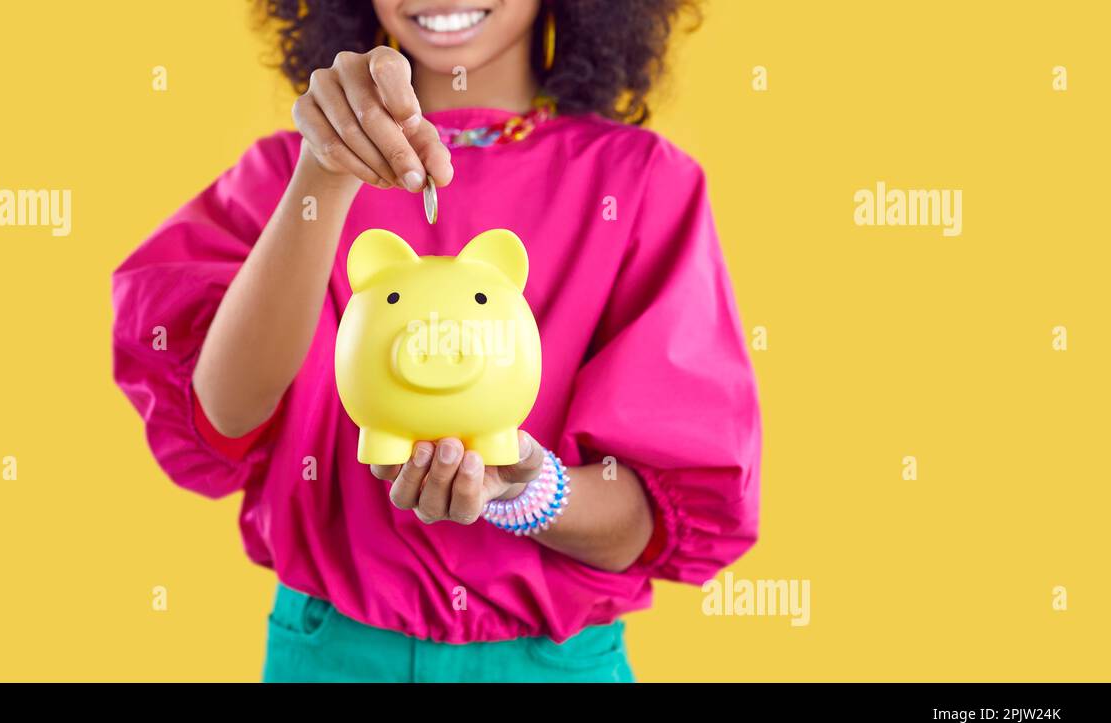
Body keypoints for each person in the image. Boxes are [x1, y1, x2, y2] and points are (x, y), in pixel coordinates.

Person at [112, 0, 761, 682]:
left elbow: (640, 529)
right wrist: (326, 172)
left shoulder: (641, 182)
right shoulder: (288, 177)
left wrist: (525, 489)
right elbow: (224, 414)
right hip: (332, 651)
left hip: (552, 662)